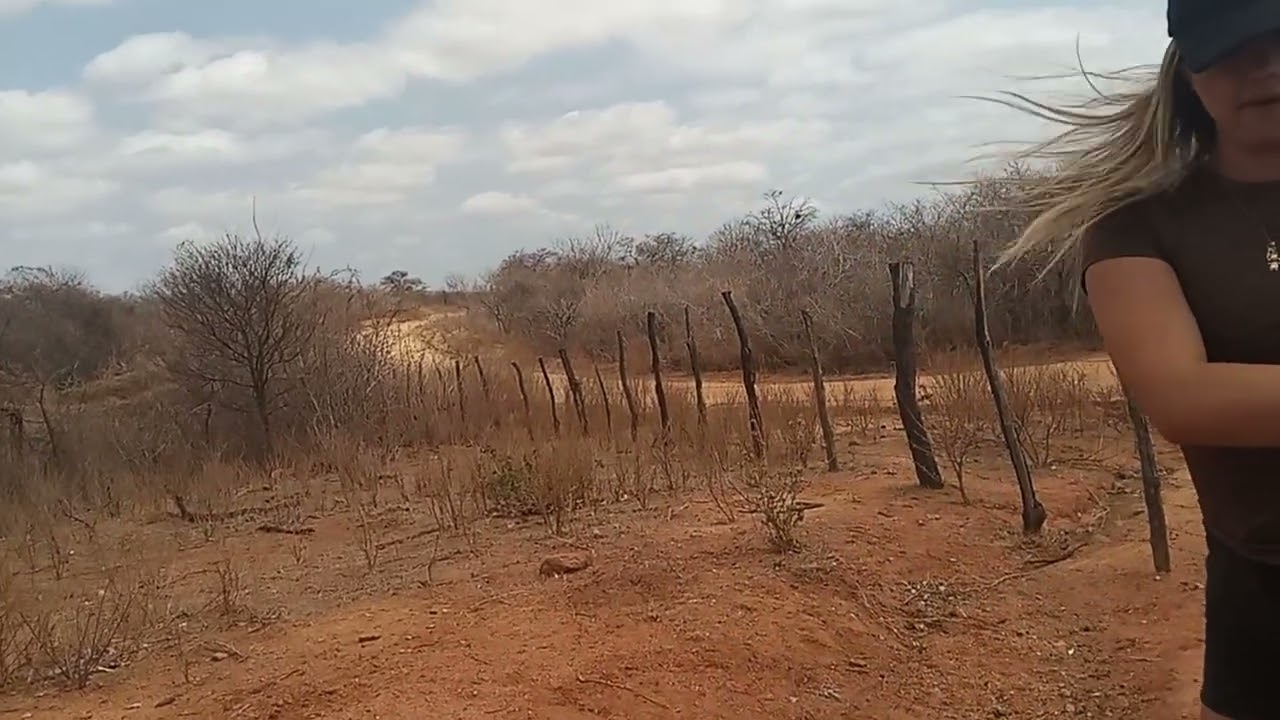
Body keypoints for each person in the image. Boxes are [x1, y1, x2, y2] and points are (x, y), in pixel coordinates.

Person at [995, 2, 1280, 718]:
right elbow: (1181, 396)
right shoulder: (1136, 224)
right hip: (1265, 584)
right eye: (1240, 49)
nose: (1268, 66)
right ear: (1188, 71)